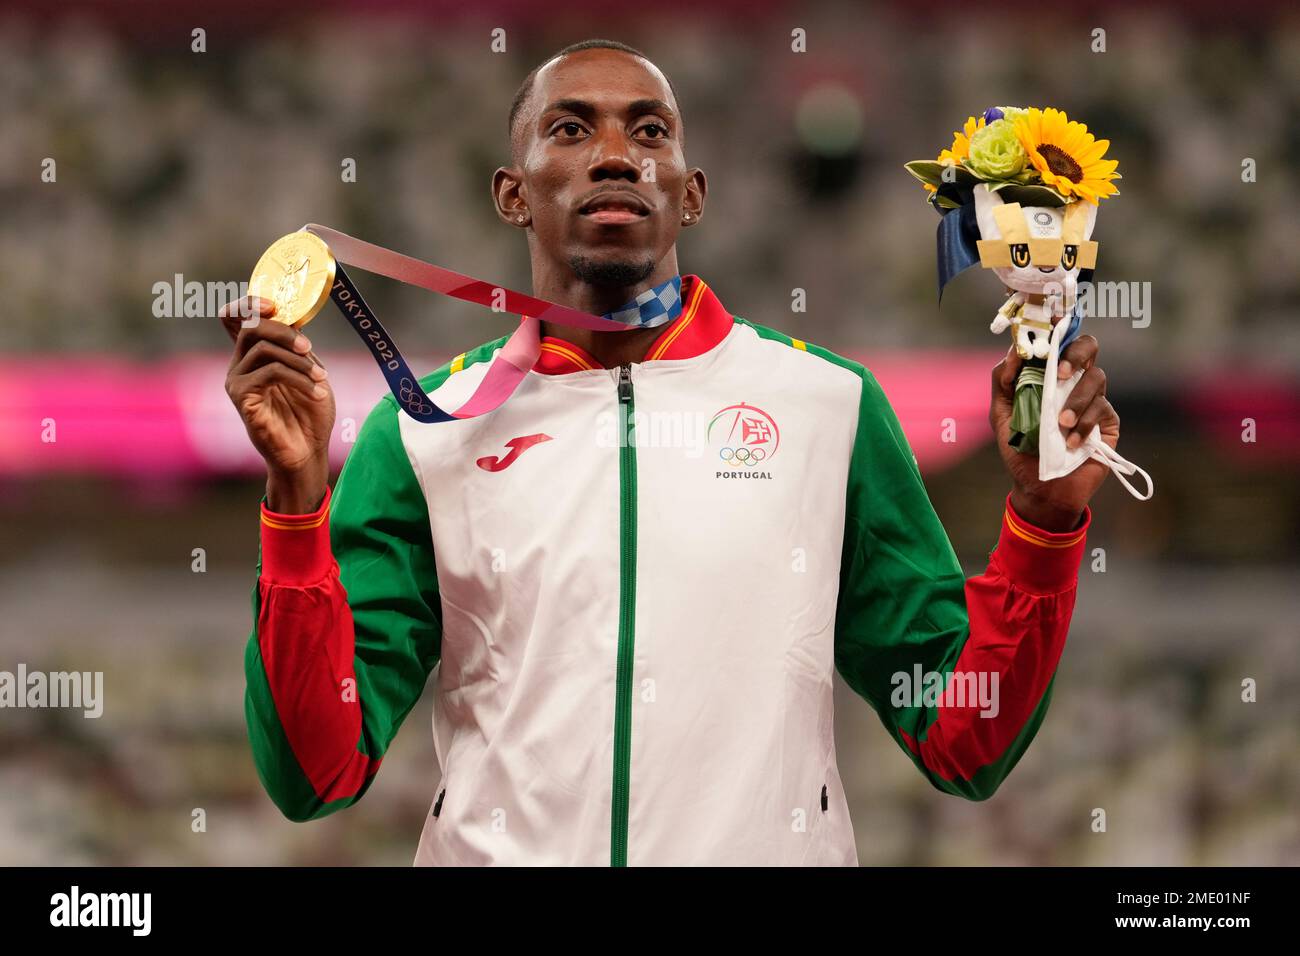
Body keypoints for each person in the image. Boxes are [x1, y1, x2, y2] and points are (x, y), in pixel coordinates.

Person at [220, 39, 1121, 866]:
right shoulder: (423, 430)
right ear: (511, 192)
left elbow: (964, 741)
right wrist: (297, 506)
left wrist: (1043, 526)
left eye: (648, 130)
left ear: (690, 193)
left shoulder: (829, 407)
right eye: (570, 129)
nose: (616, 154)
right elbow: (316, 775)